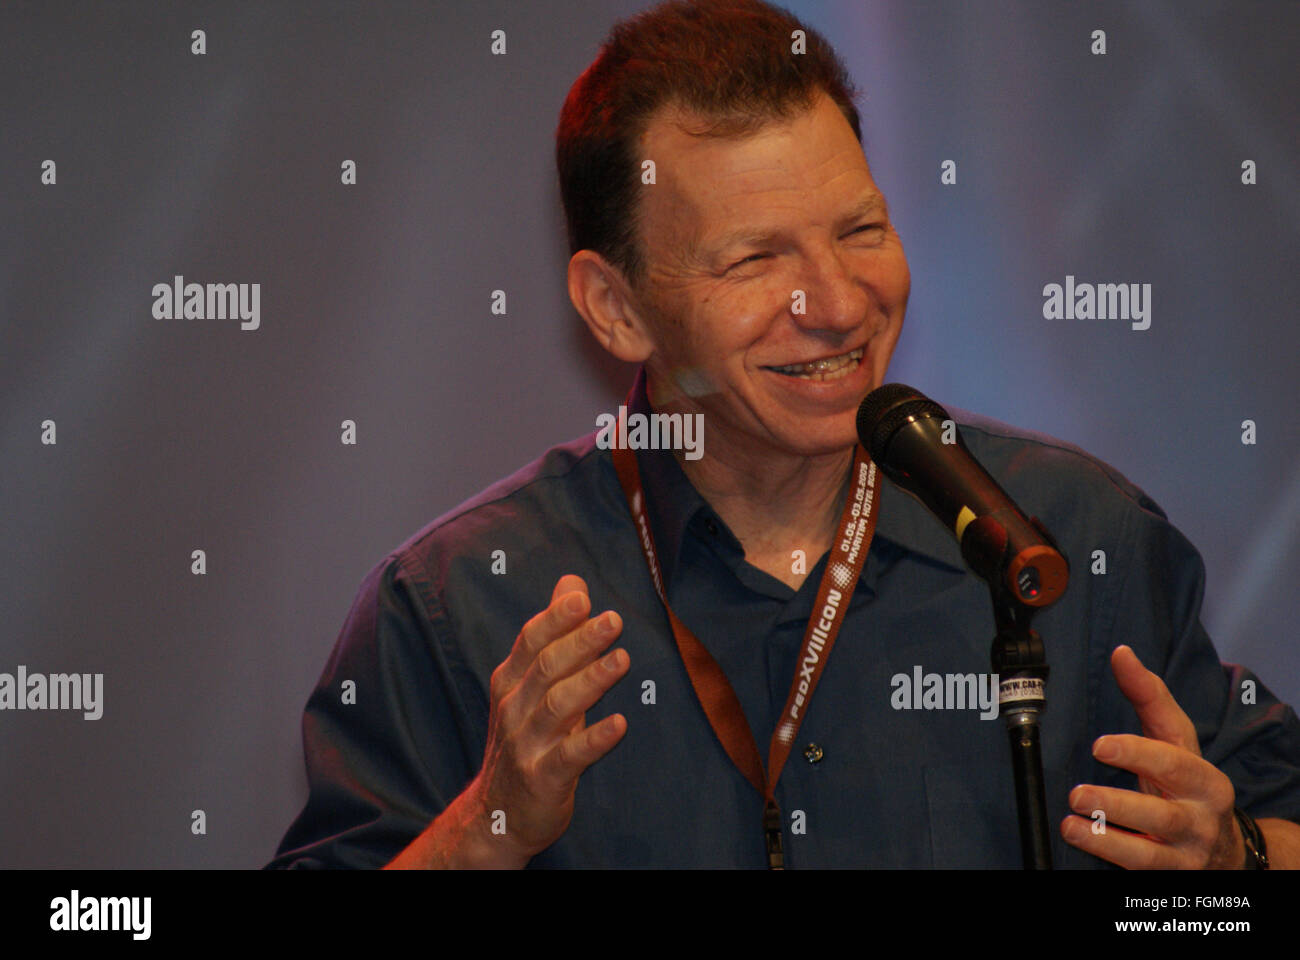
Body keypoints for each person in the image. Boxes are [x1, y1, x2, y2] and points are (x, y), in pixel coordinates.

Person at [267, 0, 1300, 869]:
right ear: (616, 307)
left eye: (859, 230)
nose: (839, 303)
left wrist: (1230, 862)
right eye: (755, 259)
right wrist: (483, 833)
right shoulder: (461, 604)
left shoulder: (1067, 535)